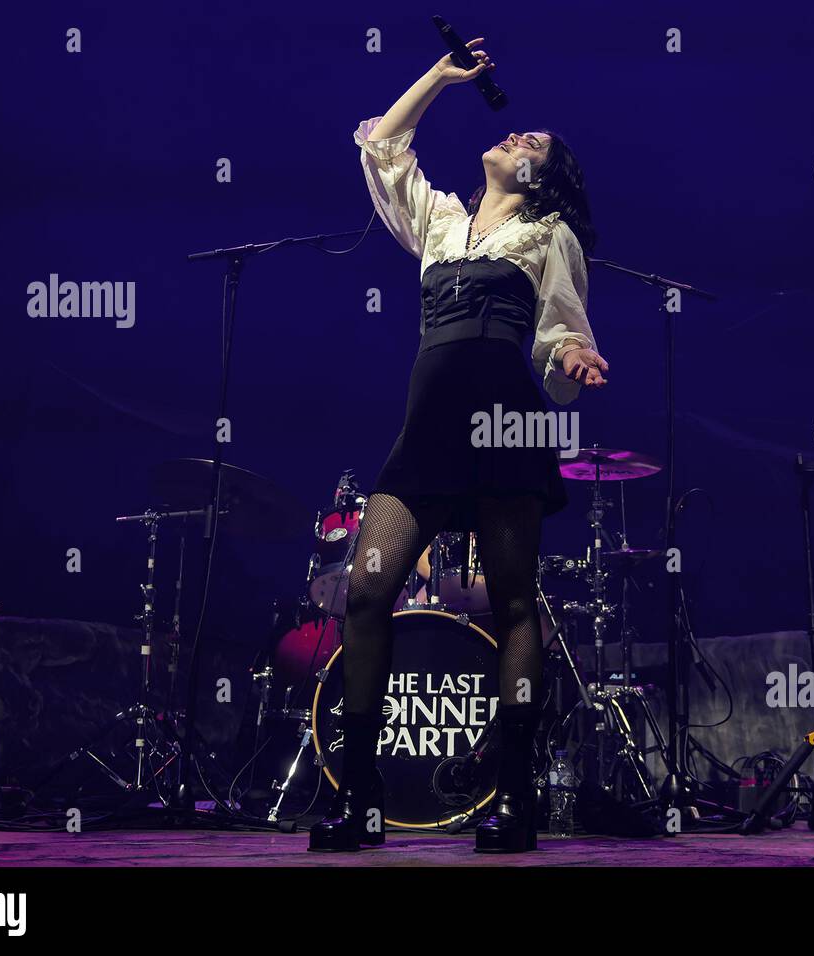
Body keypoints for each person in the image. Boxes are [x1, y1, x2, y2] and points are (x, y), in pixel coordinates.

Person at [309, 37, 608, 853]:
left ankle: (513, 802)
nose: (516, 138)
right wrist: (443, 76)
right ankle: (361, 799)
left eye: (532, 144)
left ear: (543, 179)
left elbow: (557, 339)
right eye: (520, 133)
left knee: (515, 603)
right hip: (426, 435)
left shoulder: (550, 239)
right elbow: (381, 146)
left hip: (507, 428)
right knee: (368, 596)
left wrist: (573, 359)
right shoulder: (441, 222)